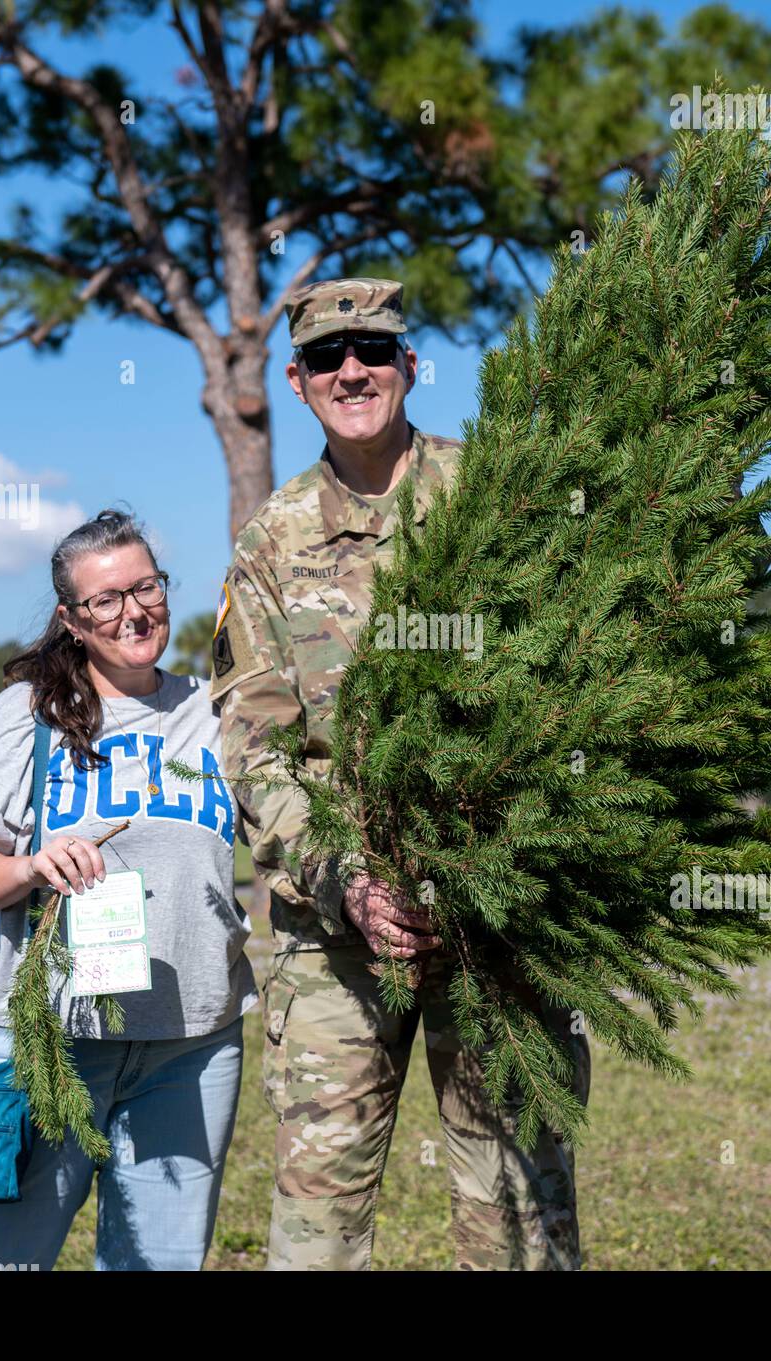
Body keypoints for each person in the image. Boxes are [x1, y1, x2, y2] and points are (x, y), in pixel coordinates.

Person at [211, 278, 590, 1271]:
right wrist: (350, 879)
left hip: (495, 911)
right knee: (317, 1225)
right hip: (333, 931)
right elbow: (254, 746)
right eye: (329, 356)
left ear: (410, 366)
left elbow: (576, 675)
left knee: (516, 1209)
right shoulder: (270, 540)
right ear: (294, 382)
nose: (353, 370)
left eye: (373, 349)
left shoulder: (500, 495)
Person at [0, 508, 255, 1270]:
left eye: (145, 587)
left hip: (192, 1045)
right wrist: (28, 867)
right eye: (105, 599)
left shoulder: (214, 712)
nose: (133, 611)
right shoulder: (27, 716)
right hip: (48, 1039)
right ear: (71, 618)